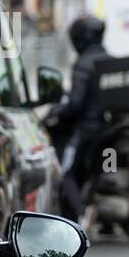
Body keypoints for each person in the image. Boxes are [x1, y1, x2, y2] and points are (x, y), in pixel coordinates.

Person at [47, 15, 109, 221]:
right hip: (108, 130)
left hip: (86, 131)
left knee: (66, 173)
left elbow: (75, 104)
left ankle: (82, 214)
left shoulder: (83, 64)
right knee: (102, 169)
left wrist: (56, 114)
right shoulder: (110, 61)